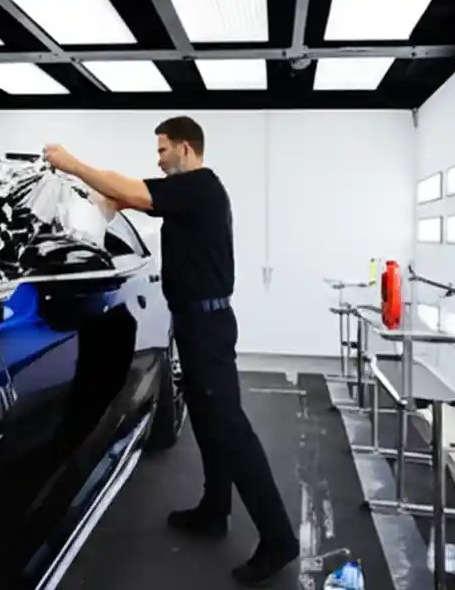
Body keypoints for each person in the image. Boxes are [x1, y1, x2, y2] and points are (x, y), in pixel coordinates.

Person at [43, 116, 300, 586]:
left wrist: (71, 164)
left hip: (207, 326)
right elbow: (134, 199)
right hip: (196, 321)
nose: (157, 159)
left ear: (185, 148)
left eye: (162, 150)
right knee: (205, 420)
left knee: (231, 430)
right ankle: (214, 508)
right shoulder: (189, 196)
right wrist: (104, 199)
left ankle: (279, 538)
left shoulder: (199, 186)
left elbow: (137, 192)